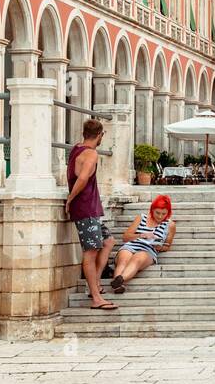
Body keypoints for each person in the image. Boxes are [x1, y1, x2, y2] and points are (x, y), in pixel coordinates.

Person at [66, 118, 116, 310]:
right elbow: (83, 178)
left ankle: (93, 285)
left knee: (108, 240)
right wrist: (71, 199)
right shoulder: (91, 154)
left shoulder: (76, 149)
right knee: (90, 251)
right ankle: (95, 297)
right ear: (100, 135)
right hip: (85, 207)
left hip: (90, 208)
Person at [111, 195, 177, 294]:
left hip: (148, 250)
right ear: (152, 210)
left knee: (137, 259)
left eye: (164, 214)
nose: (160, 216)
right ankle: (118, 286)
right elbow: (125, 237)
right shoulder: (141, 218)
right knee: (123, 260)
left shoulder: (170, 225)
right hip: (131, 246)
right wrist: (141, 235)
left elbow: (167, 246)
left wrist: (160, 247)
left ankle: (120, 280)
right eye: (157, 213)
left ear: (168, 213)